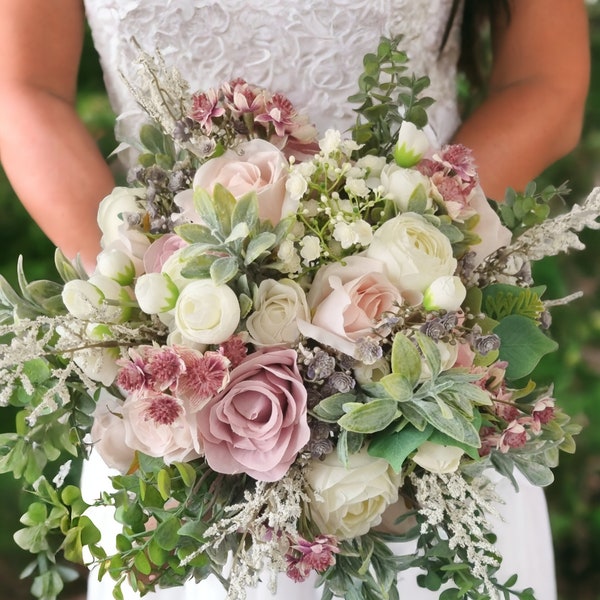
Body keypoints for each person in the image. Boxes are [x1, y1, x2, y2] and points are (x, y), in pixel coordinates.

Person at [0, 1, 590, 599]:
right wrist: (140, 303)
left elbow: (546, 81)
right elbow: (23, 91)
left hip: (424, 360)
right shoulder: (162, 348)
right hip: (176, 391)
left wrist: (408, 258)